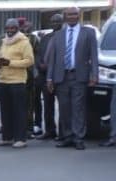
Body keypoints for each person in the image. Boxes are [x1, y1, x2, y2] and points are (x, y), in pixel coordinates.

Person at [45, 5, 99, 150]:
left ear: (79, 15)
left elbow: (94, 55)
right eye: (69, 15)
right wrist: (49, 78)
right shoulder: (59, 35)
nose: (72, 17)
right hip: (61, 77)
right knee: (64, 109)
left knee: (78, 108)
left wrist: (95, 74)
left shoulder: (88, 33)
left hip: (79, 76)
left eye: (74, 14)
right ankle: (67, 137)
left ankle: (78, 137)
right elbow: (53, 59)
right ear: (65, 16)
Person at [0, 18, 34, 148]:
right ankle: (7, 137)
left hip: (17, 81)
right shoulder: (3, 41)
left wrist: (10, 63)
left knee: (19, 111)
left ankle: (20, 139)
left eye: (13, 28)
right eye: (8, 28)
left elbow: (29, 61)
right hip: (3, 79)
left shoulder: (24, 42)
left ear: (18, 28)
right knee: (5, 110)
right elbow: (1, 58)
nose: (10, 30)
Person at [36, 14, 64, 141]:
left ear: (62, 22)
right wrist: (40, 64)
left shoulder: (65, 36)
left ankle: (63, 133)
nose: (54, 24)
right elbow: (38, 53)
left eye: (57, 21)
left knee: (63, 106)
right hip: (44, 76)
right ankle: (50, 130)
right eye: (52, 22)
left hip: (60, 76)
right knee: (48, 105)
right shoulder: (46, 38)